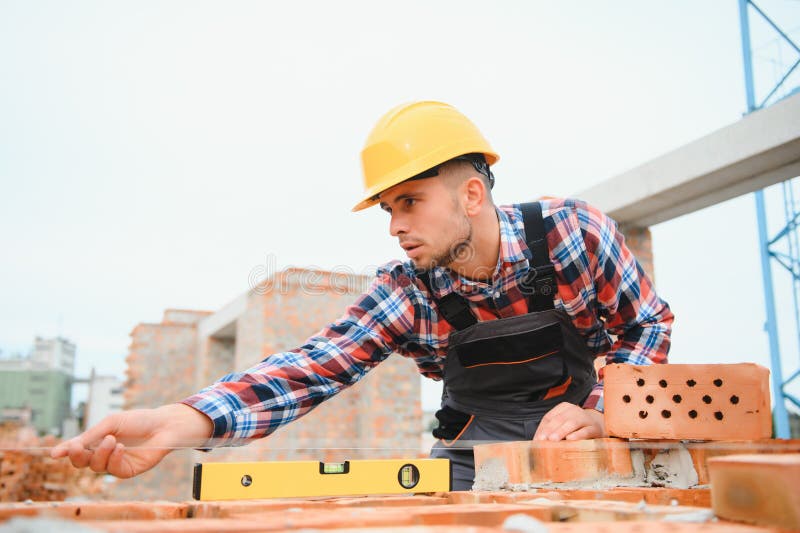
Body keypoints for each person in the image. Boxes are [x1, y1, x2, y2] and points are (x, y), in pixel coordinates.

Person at [52, 101, 673, 490]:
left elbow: (645, 324)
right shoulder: (408, 291)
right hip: (467, 463)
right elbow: (310, 367)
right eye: (387, 209)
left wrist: (604, 413)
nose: (395, 226)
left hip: (585, 453)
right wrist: (182, 422)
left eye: (410, 202)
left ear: (471, 196)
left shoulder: (572, 233)